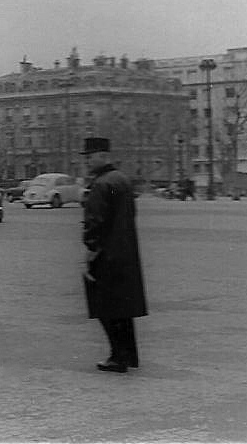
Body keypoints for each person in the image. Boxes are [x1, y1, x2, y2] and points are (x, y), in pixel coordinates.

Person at [80, 137, 148, 373]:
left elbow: (95, 221)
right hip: (125, 251)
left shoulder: (100, 184)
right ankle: (129, 354)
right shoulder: (122, 180)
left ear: (103, 156)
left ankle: (117, 357)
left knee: (105, 307)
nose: (87, 161)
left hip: (105, 253)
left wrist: (91, 248)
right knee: (123, 308)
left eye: (90, 157)